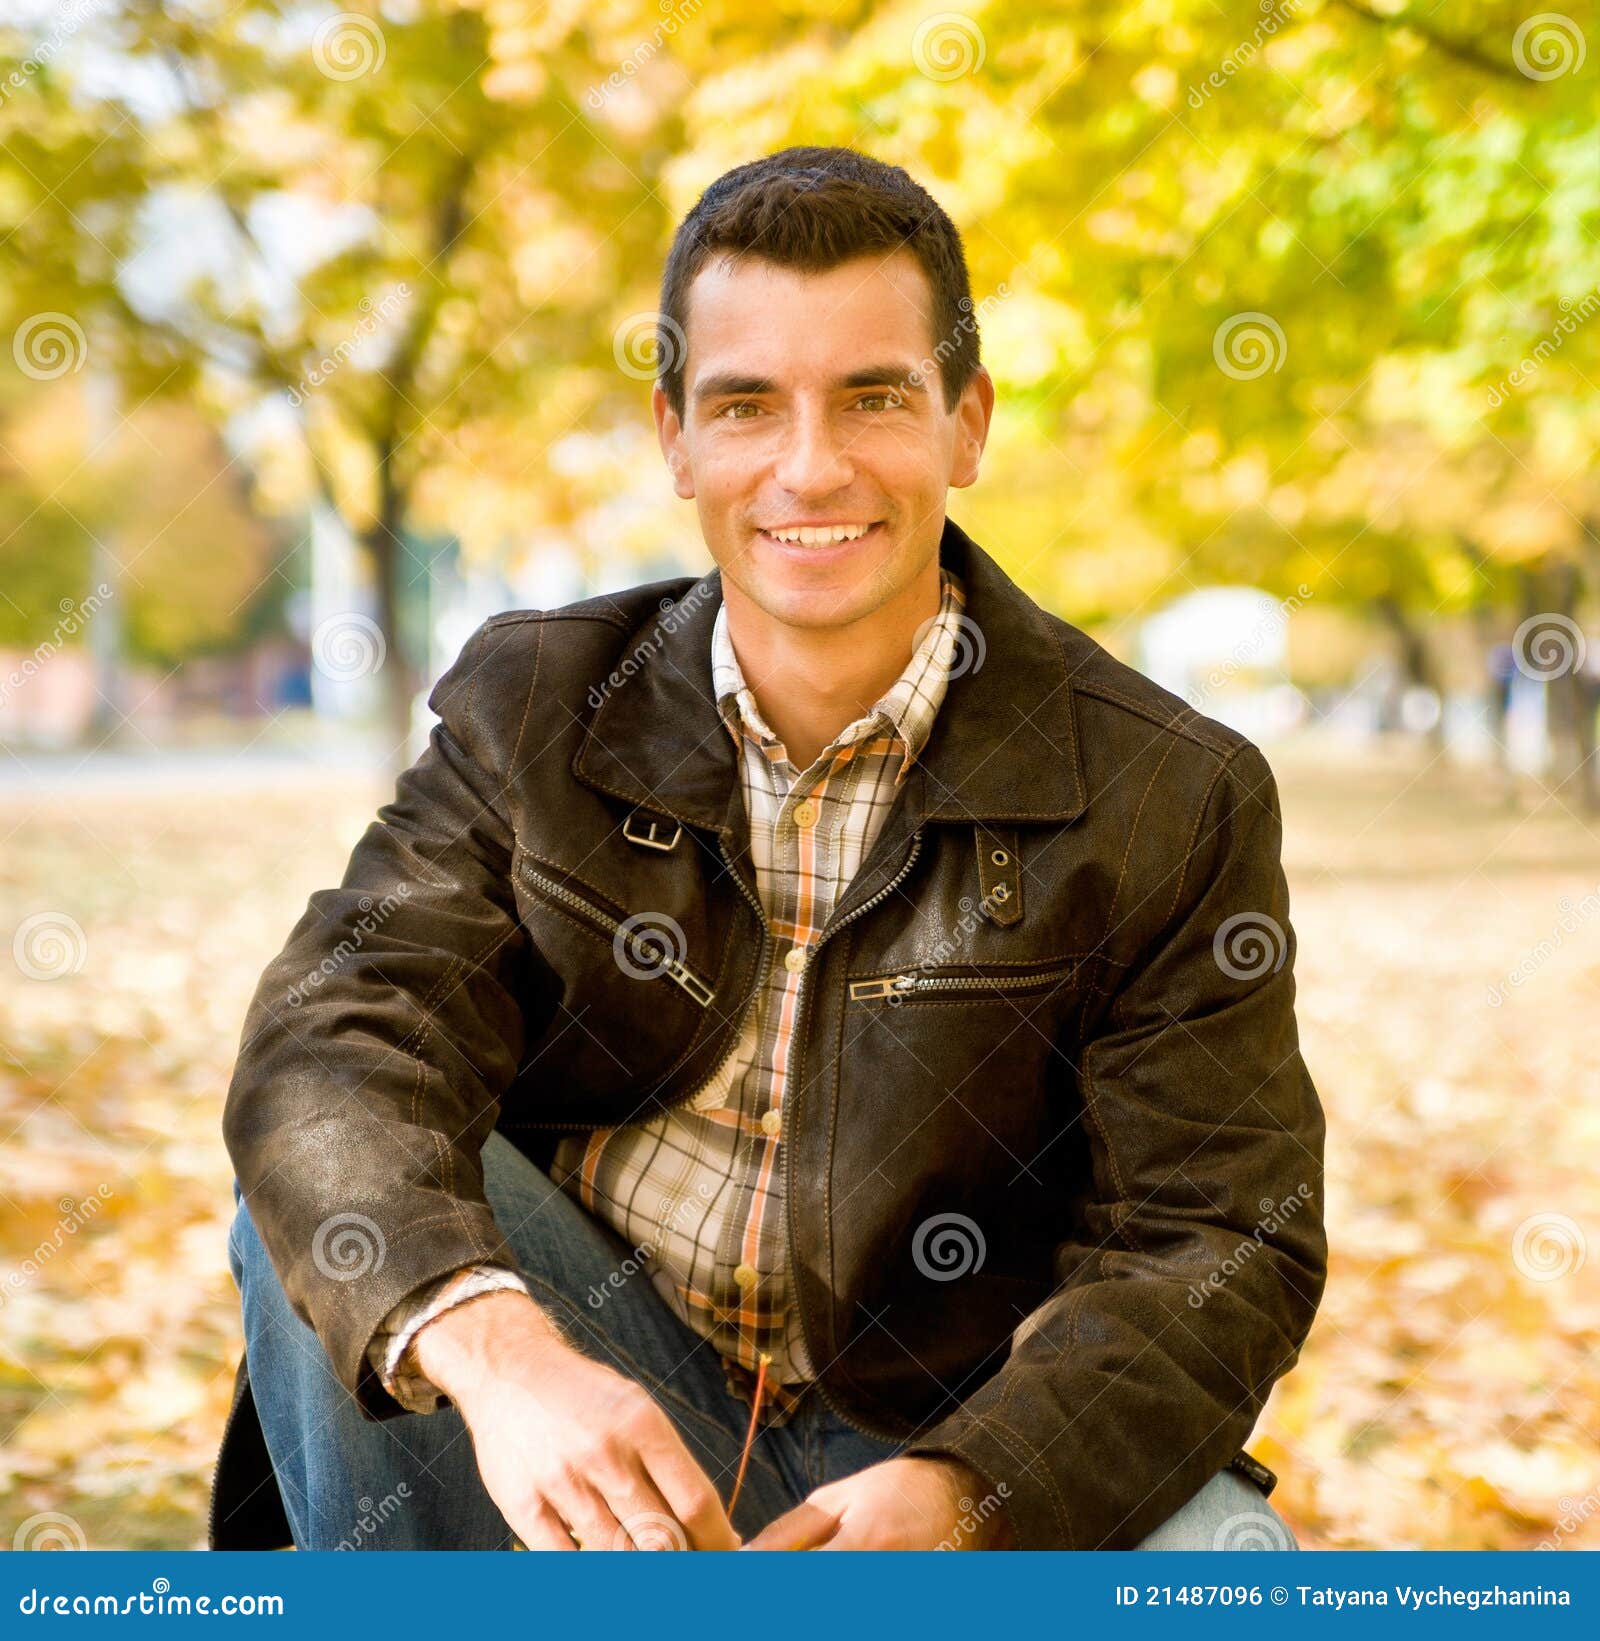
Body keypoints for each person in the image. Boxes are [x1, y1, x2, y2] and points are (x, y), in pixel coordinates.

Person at [212, 146, 1327, 1553]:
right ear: (676, 436)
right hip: (601, 1379)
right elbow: (336, 1033)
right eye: (747, 405)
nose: (811, 466)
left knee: (1234, 1565)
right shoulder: (541, 703)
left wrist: (968, 1489)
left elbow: (1218, 1241)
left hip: (947, 1424)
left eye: (874, 396)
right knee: (348, 1207)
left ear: (965, 424)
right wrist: (503, 1354)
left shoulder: (1173, 789)